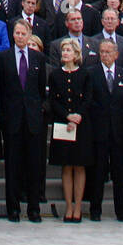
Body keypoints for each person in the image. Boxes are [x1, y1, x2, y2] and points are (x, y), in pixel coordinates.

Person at [0, 18, 47, 222]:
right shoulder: (3, 58)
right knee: (13, 166)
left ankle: (34, 208)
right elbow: (0, 89)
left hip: (34, 120)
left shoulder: (38, 58)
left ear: (29, 35)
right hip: (12, 119)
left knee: (34, 166)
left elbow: (41, 89)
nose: (19, 37)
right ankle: (13, 208)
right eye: (16, 33)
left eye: (23, 33)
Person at [88, 37, 123, 222]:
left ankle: (120, 211)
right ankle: (95, 210)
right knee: (98, 172)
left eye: (108, 52)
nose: (104, 55)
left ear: (116, 54)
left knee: (119, 174)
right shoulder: (91, 73)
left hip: (118, 132)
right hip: (99, 131)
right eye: (102, 52)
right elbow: (89, 101)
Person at [48, 38, 93, 221]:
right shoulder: (55, 75)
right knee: (66, 166)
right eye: (63, 50)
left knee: (79, 166)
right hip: (63, 123)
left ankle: (78, 207)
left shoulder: (84, 75)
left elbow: (88, 98)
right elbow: (53, 100)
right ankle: (68, 206)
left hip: (81, 125)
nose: (65, 53)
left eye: (69, 50)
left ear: (76, 54)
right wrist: (67, 116)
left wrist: (78, 116)